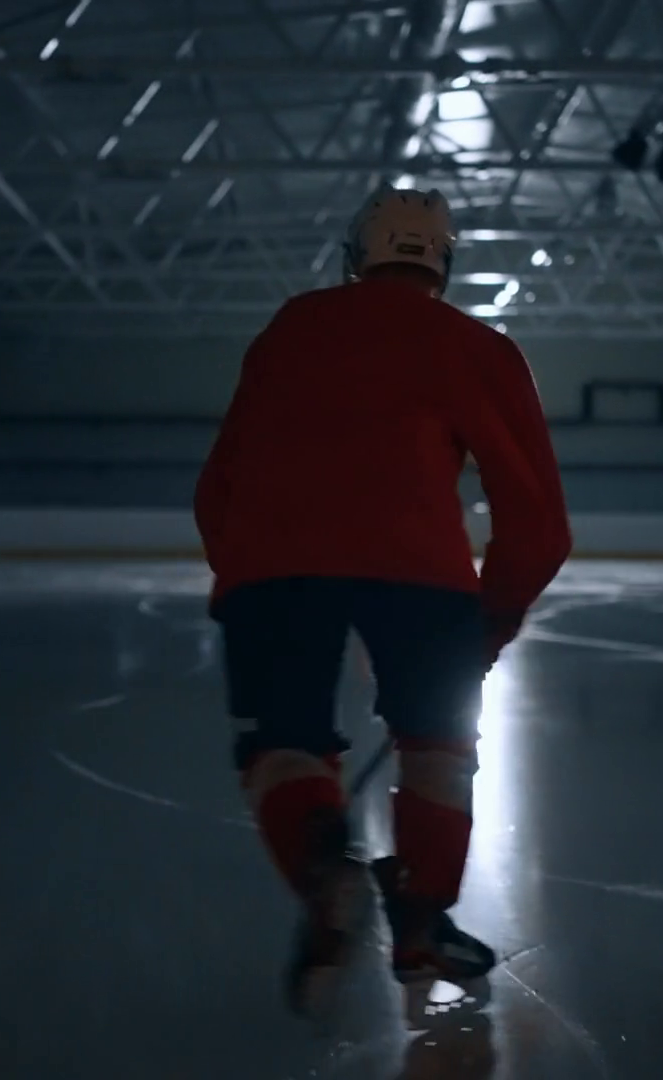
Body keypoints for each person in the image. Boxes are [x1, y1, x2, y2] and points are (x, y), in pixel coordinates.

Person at [194, 185, 572, 1014]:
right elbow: (537, 520)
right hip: (422, 573)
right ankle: (422, 923)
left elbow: (217, 485)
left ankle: (327, 869)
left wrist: (249, 580)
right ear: (444, 261)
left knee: (283, 745)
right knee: (439, 748)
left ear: (356, 254)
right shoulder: (478, 347)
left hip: (274, 566)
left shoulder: (292, 328)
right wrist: (488, 624)